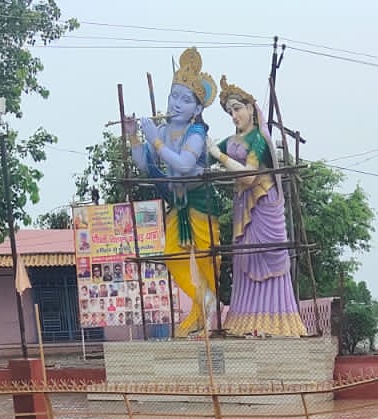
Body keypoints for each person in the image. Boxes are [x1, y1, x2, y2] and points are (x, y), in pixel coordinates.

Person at [123, 48, 219, 336]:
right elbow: (145, 164)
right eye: (173, 97)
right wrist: (134, 135)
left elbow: (185, 163)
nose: (176, 104)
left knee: (207, 260)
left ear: (197, 109)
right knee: (172, 256)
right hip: (178, 206)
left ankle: (211, 311)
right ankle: (203, 303)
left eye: (185, 100)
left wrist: (155, 142)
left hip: (200, 205)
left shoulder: (197, 134)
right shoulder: (163, 131)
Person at [206, 77, 306, 337]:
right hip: (243, 206)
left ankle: (276, 321)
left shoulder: (259, 140)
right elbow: (205, 156)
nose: (234, 115)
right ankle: (244, 320)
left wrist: (219, 156)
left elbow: (249, 176)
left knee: (268, 257)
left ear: (251, 108)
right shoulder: (233, 140)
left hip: (263, 203)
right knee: (244, 260)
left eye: (238, 108)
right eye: (230, 111)